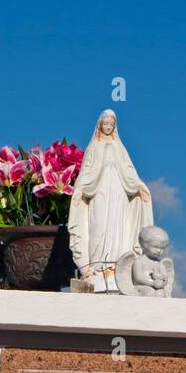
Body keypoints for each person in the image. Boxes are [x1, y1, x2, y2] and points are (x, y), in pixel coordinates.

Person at [68, 110, 153, 282]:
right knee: (98, 225)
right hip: (99, 190)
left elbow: (129, 170)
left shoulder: (119, 147)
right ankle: (96, 267)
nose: (108, 127)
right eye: (105, 124)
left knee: (117, 226)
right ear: (100, 125)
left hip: (119, 191)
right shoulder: (94, 146)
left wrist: (138, 185)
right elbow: (86, 170)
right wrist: (81, 189)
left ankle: (115, 267)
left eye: (111, 124)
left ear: (114, 127)